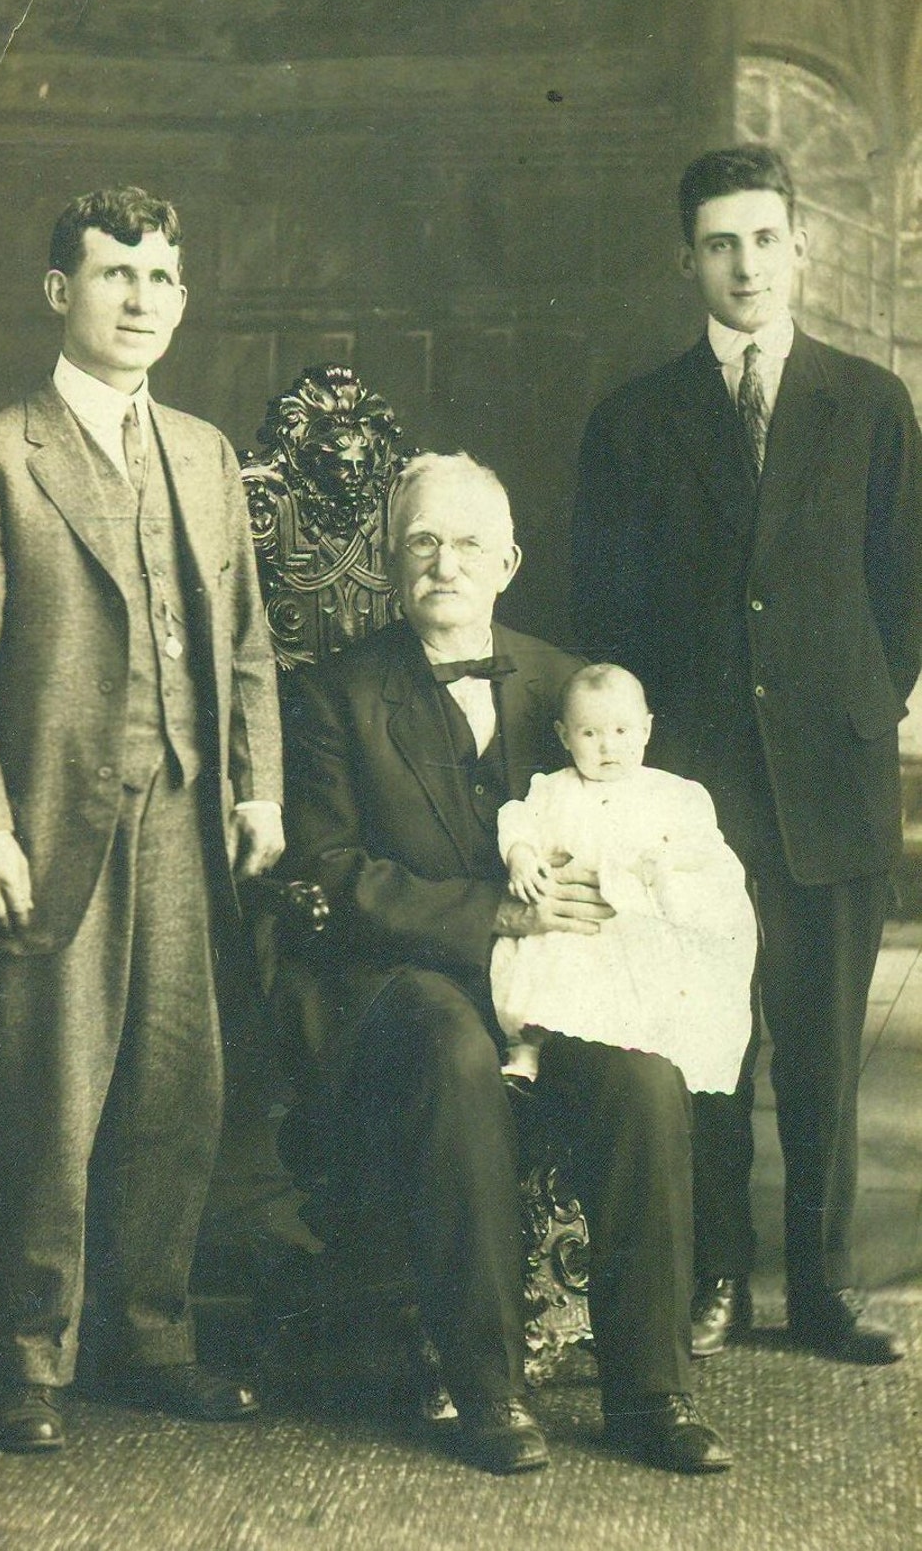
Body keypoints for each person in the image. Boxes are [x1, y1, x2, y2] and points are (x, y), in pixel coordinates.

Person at [0, 187, 285, 1452]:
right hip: (55, 821)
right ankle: (31, 1353)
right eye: (117, 273)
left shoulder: (206, 451)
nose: (142, 298)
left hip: (187, 815)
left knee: (180, 1082)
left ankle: (152, 1332)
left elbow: (246, 648)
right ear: (58, 291)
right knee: (50, 1093)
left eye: (163, 276)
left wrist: (258, 786)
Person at [279, 450, 732, 1476]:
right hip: (407, 977)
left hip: (563, 980)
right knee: (451, 1049)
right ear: (394, 563)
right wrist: (494, 919)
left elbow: (635, 814)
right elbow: (332, 872)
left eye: (470, 542)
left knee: (645, 1069)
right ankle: (490, 1389)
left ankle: (649, 1390)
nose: (446, 562)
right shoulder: (334, 694)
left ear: (510, 561)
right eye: (423, 542)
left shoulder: (566, 681)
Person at [571, 144, 922, 1365]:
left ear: (800, 248)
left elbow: (904, 595)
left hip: (830, 784)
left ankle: (821, 1290)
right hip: (693, 801)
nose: (745, 265)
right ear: (687, 261)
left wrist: (857, 712)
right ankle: (718, 1277)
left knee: (823, 1050)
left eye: (766, 238)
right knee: (709, 1042)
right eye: (720, 243)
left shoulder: (872, 405)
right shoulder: (635, 421)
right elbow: (604, 623)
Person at [493, 662, 756, 1095]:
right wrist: (521, 855)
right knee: (544, 978)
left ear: (647, 729)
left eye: (621, 731)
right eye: (589, 734)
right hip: (573, 931)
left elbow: (703, 856)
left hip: (637, 928)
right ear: (564, 736)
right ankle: (527, 1053)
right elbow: (519, 821)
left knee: (652, 1004)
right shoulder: (553, 790)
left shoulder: (674, 795)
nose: (607, 747)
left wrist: (660, 869)